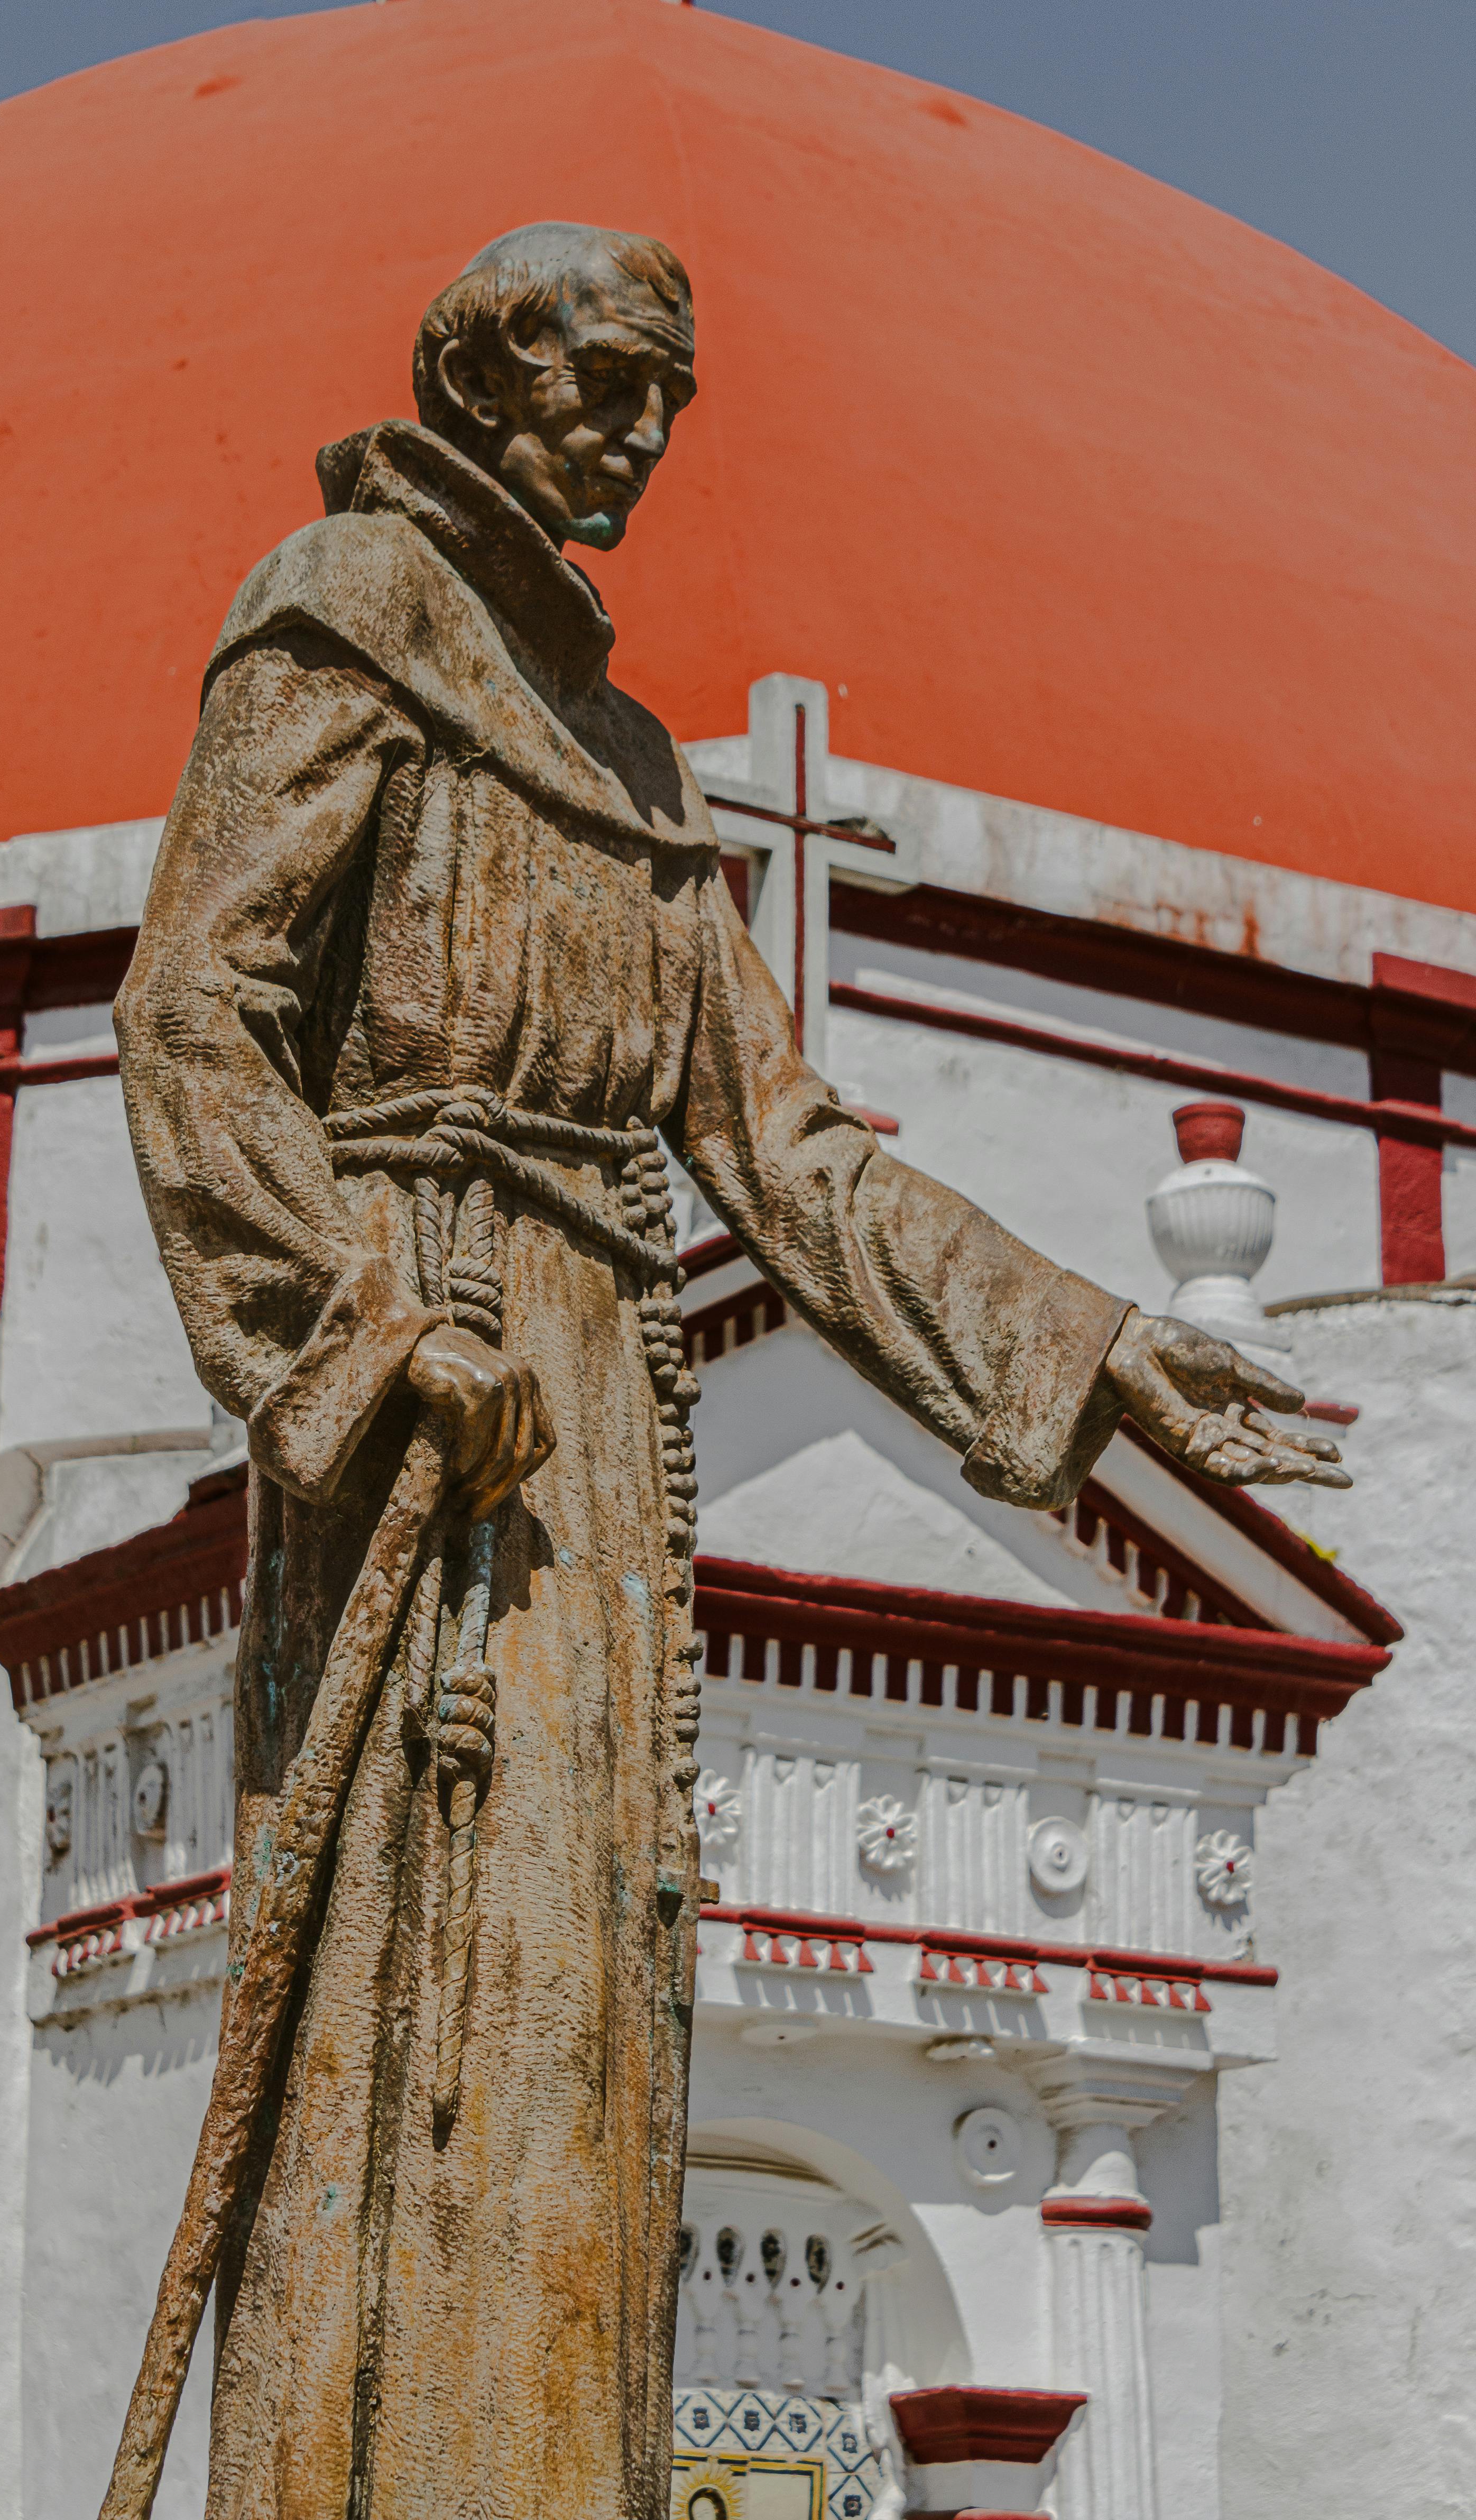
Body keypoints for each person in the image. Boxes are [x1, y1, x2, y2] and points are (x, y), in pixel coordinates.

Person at [114, 223, 1346, 2520]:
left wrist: (1091, 1365)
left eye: (677, 389)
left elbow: (787, 1159)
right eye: (608, 378)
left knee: (584, 1997)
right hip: (436, 1381)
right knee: (423, 1983)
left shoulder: (638, 768)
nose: (649, 428)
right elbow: (194, 1013)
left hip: (595, 1412)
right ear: (486, 374)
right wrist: (361, 1334)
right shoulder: (342, 609)